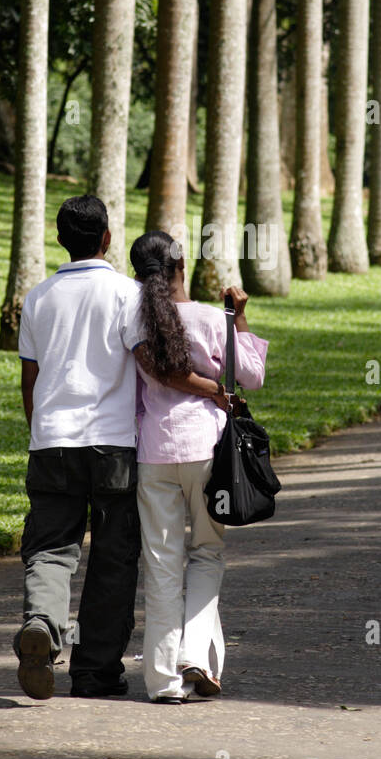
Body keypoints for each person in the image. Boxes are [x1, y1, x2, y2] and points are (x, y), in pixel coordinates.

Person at [14, 196, 223, 701]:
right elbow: (151, 364)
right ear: (106, 239)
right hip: (114, 447)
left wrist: (42, 429)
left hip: (52, 443)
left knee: (49, 547)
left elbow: (30, 379)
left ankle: (42, 621)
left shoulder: (38, 298)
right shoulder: (127, 295)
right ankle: (95, 673)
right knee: (113, 557)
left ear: (61, 239)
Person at [129, 230, 268, 704]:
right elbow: (252, 375)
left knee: (162, 565)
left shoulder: (137, 324)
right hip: (209, 453)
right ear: (182, 266)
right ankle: (193, 655)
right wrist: (240, 316)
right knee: (207, 554)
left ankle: (164, 682)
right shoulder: (212, 319)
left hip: (154, 455)